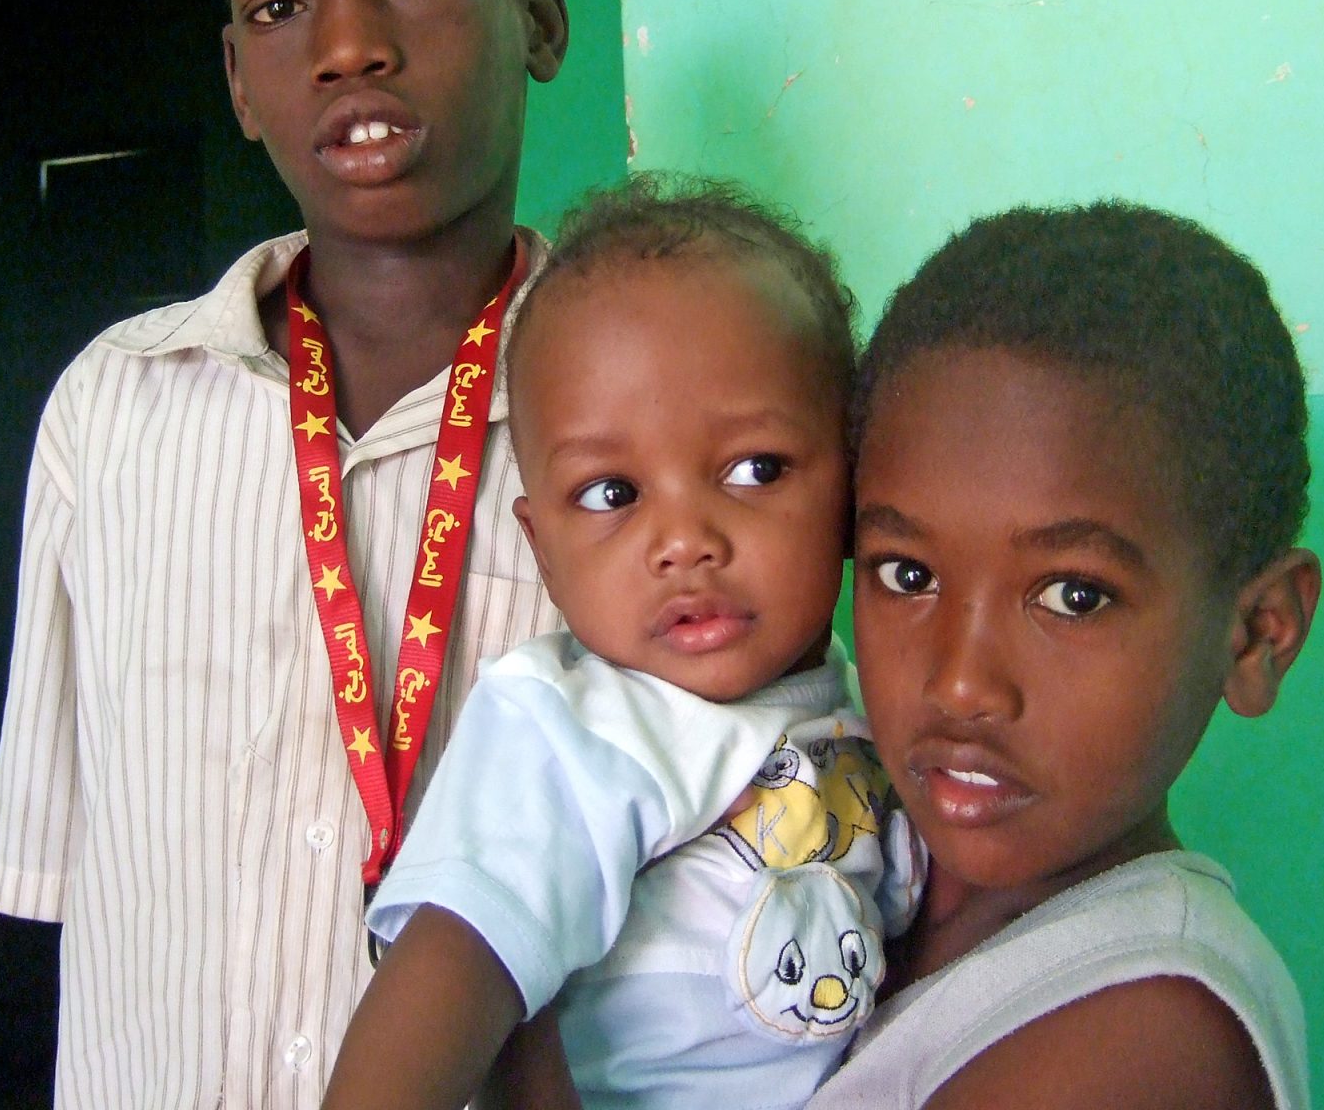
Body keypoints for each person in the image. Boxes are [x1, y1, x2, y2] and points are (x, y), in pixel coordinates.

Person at [0, 0, 571, 1107]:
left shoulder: (650, 431)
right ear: (240, 80)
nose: (349, 44)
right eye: (281, 7)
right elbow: (67, 881)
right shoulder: (111, 413)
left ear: (537, 17)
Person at [323, 178, 924, 1110]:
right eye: (612, 494)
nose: (684, 540)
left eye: (754, 469)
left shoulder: (870, 714)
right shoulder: (572, 731)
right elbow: (446, 975)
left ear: (854, 484)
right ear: (543, 552)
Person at [807, 202, 1320, 1109]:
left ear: (1258, 634)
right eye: (907, 573)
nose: (961, 683)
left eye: (1074, 597)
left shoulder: (1148, 1041)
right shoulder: (846, 863)